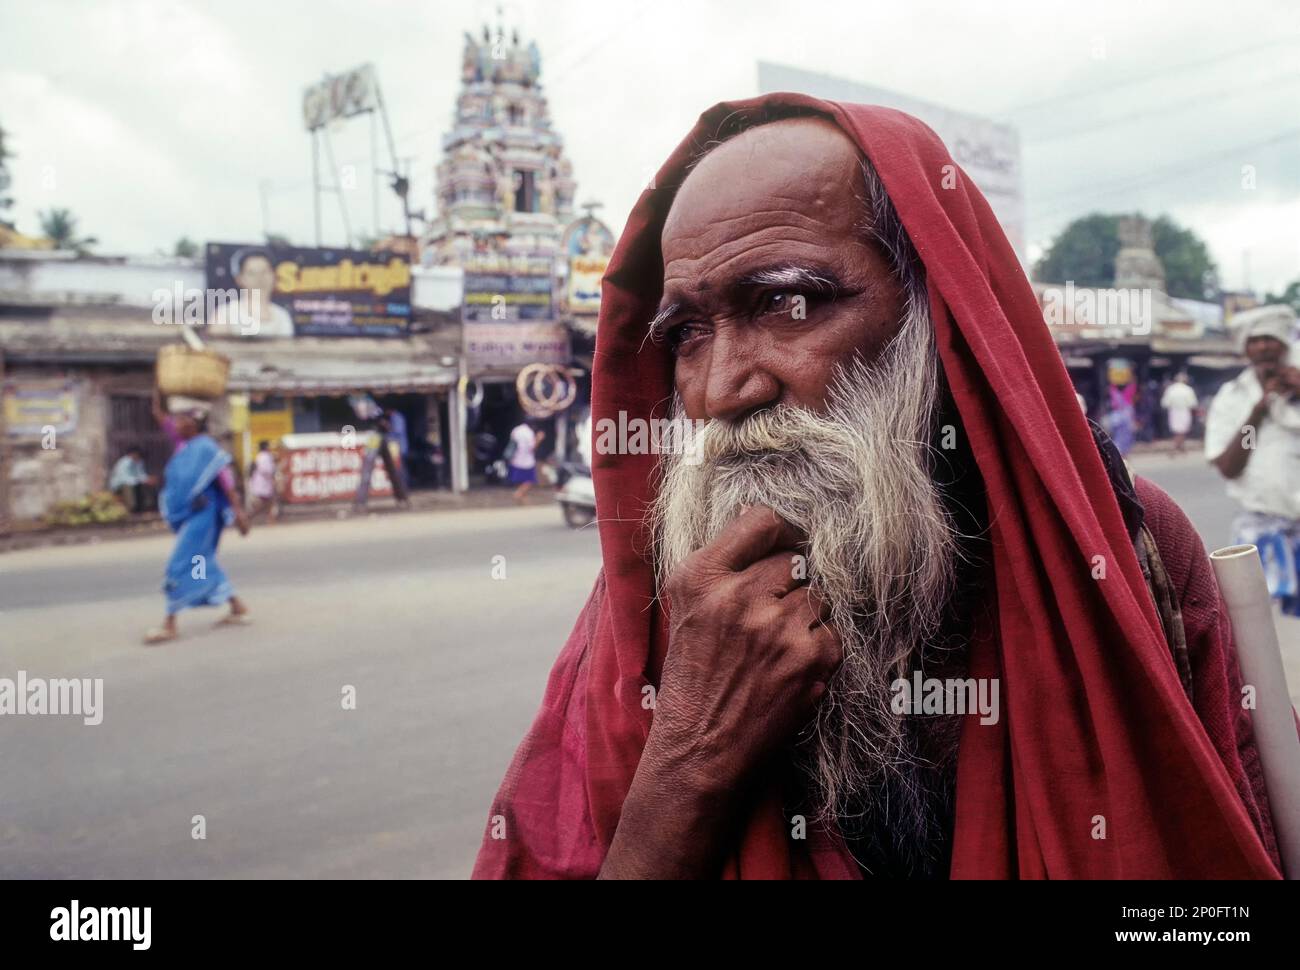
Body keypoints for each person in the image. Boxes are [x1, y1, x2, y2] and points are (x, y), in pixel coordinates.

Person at [473, 97, 1283, 880]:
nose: (722, 389)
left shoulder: (1118, 549)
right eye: (687, 332)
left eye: (788, 304)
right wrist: (689, 760)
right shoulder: (657, 608)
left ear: (938, 313)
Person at [1206, 305, 1300, 615]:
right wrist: (1258, 412)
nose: (1262, 346)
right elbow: (1230, 467)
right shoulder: (1233, 396)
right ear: (1246, 348)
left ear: (1284, 344)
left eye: (1269, 338)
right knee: (1254, 625)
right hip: (1261, 530)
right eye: (1254, 340)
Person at [144, 400, 250, 644]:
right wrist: (160, 378)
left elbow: (227, 484)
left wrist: (239, 515)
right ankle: (238, 607)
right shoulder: (183, 445)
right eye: (176, 420)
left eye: (181, 420)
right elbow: (157, 412)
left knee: (179, 564)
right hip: (190, 516)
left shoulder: (207, 449)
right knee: (201, 563)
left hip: (205, 517)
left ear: (194, 424)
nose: (176, 424)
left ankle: (169, 624)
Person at [505, 418, 544, 504]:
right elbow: (532, 448)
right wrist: (538, 439)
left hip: (516, 458)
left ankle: (521, 495)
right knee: (530, 480)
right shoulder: (529, 433)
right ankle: (518, 494)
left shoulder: (516, 430)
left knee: (521, 479)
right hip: (526, 460)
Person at [108, 446, 155, 513]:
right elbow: (125, 479)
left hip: (134, 483)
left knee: (148, 485)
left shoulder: (139, 461)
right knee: (129, 486)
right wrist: (142, 480)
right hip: (119, 485)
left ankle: (147, 507)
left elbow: (141, 474)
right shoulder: (124, 462)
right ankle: (131, 508)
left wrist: (148, 479)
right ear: (131, 454)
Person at [1161, 372, 1199, 455]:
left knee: (1177, 429)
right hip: (1184, 411)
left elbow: (1165, 403)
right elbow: (1193, 403)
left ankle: (1179, 446)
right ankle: (1176, 446)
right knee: (1182, 429)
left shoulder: (1171, 389)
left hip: (1174, 412)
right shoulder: (1188, 389)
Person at [247, 440, 279, 523]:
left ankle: (270, 519)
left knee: (269, 502)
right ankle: (249, 516)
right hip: (263, 483)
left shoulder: (261, 456)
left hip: (263, 483)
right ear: (266, 447)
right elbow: (266, 470)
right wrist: (273, 478)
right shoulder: (264, 456)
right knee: (265, 503)